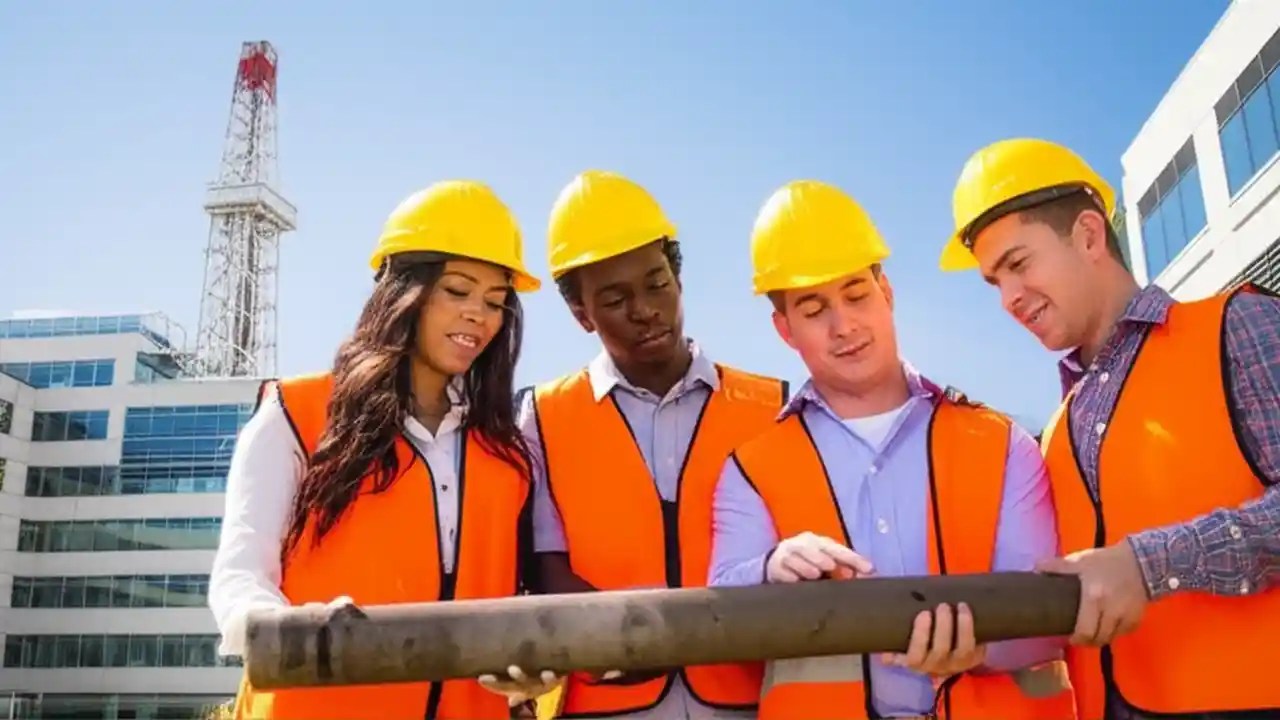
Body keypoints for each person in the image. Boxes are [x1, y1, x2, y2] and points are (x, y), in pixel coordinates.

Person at [708, 179, 1078, 719]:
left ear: (887, 292)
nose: (844, 326)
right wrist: (769, 569)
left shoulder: (1003, 445)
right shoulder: (750, 471)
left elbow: (1047, 619)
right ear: (785, 330)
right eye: (813, 309)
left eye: (856, 294)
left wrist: (980, 648)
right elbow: (720, 621)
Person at [943, 137, 1280, 719]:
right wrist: (981, 648)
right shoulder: (1053, 433)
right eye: (994, 283)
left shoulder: (1239, 325)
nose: (1008, 300)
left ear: (1089, 236)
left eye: (1018, 265)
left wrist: (1150, 566)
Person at [208, 180, 560, 720]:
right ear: (403, 290)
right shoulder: (295, 414)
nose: (479, 315)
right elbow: (239, 579)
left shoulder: (507, 452)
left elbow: (520, 603)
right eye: (458, 291)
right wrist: (302, 636)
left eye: (495, 302)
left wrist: (534, 666)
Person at [521, 169, 789, 719]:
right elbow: (545, 564)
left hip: (753, 700)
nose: (645, 309)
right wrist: (624, 641)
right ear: (581, 315)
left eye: (656, 283)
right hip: (607, 705)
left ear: (678, 279)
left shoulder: (774, 406)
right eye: (615, 298)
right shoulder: (542, 416)